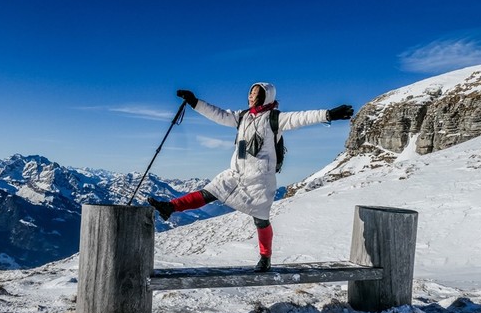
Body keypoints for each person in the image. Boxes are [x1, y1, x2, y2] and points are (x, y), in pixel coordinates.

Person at [148, 82, 354, 272]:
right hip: (236, 173)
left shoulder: (275, 118)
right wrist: (195, 102)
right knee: (209, 192)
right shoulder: (243, 116)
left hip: (260, 179)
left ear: (266, 97)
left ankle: (265, 258)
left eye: (256, 94)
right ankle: (170, 207)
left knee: (261, 220)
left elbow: (301, 117)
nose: (251, 96)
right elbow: (218, 114)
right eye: (250, 92)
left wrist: (328, 114)